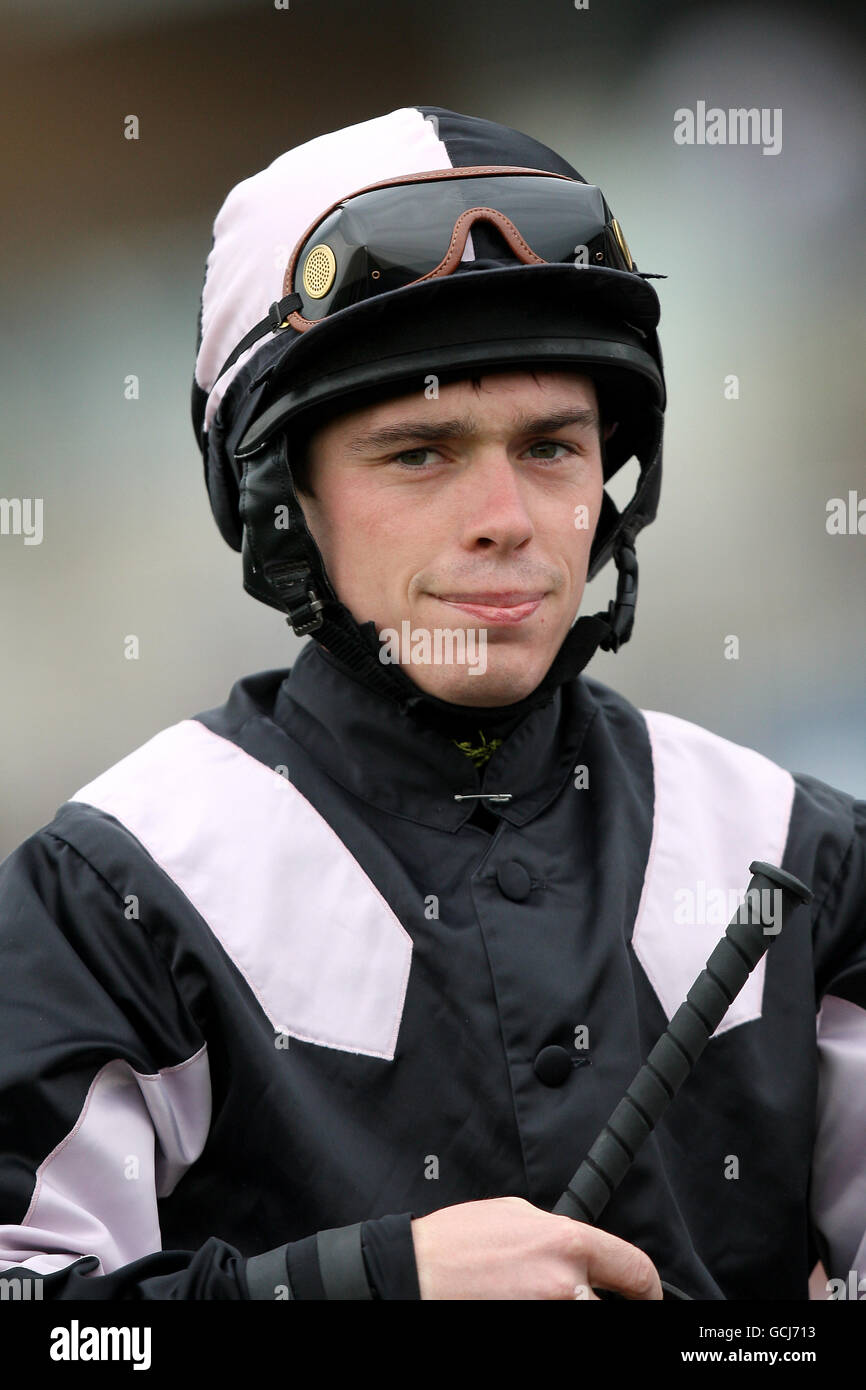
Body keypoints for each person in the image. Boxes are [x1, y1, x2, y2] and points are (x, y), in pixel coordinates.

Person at [0, 106, 863, 1303]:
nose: (504, 515)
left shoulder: (799, 849)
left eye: (553, 446)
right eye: (420, 451)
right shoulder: (114, 892)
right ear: (280, 501)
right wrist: (373, 1286)